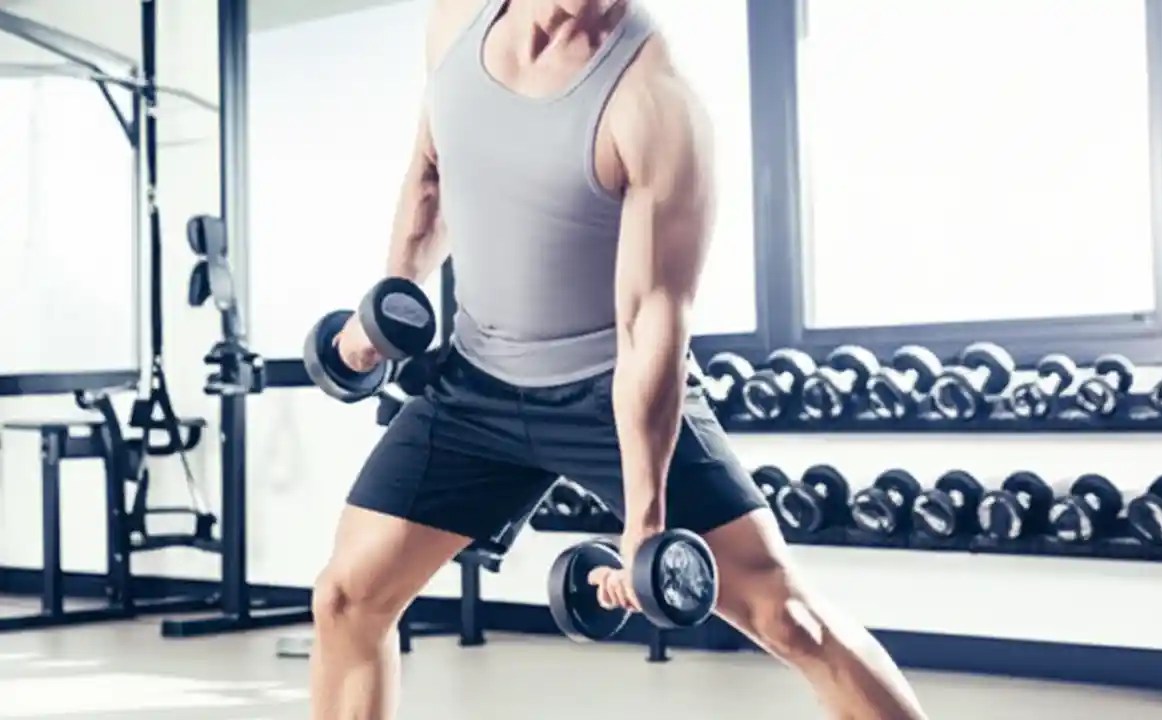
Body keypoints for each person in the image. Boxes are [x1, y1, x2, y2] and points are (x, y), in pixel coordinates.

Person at [311, 1, 930, 718]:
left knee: (787, 617)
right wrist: (392, 306)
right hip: (474, 383)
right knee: (346, 598)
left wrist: (645, 518)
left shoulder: (655, 104)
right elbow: (431, 173)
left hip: (610, 390)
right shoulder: (456, 19)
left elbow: (650, 322)